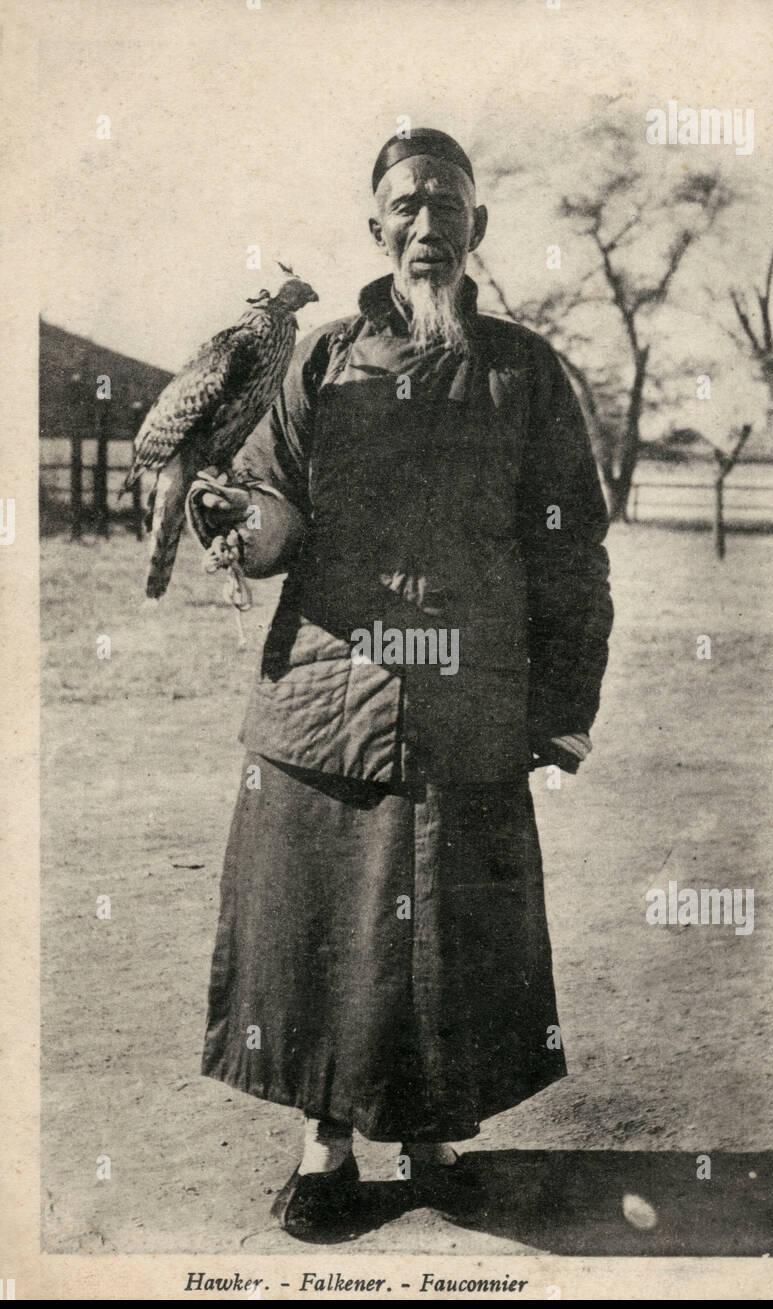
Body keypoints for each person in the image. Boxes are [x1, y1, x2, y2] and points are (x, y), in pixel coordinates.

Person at [196, 129, 614, 1240]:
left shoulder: (525, 371)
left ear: (478, 225)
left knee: (455, 925)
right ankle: (324, 1148)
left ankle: (434, 1139)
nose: (428, 225)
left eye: (449, 206)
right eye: (406, 206)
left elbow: (569, 550)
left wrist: (564, 708)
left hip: (470, 701)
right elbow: (276, 511)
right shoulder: (319, 361)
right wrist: (242, 523)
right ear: (375, 225)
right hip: (325, 699)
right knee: (328, 925)